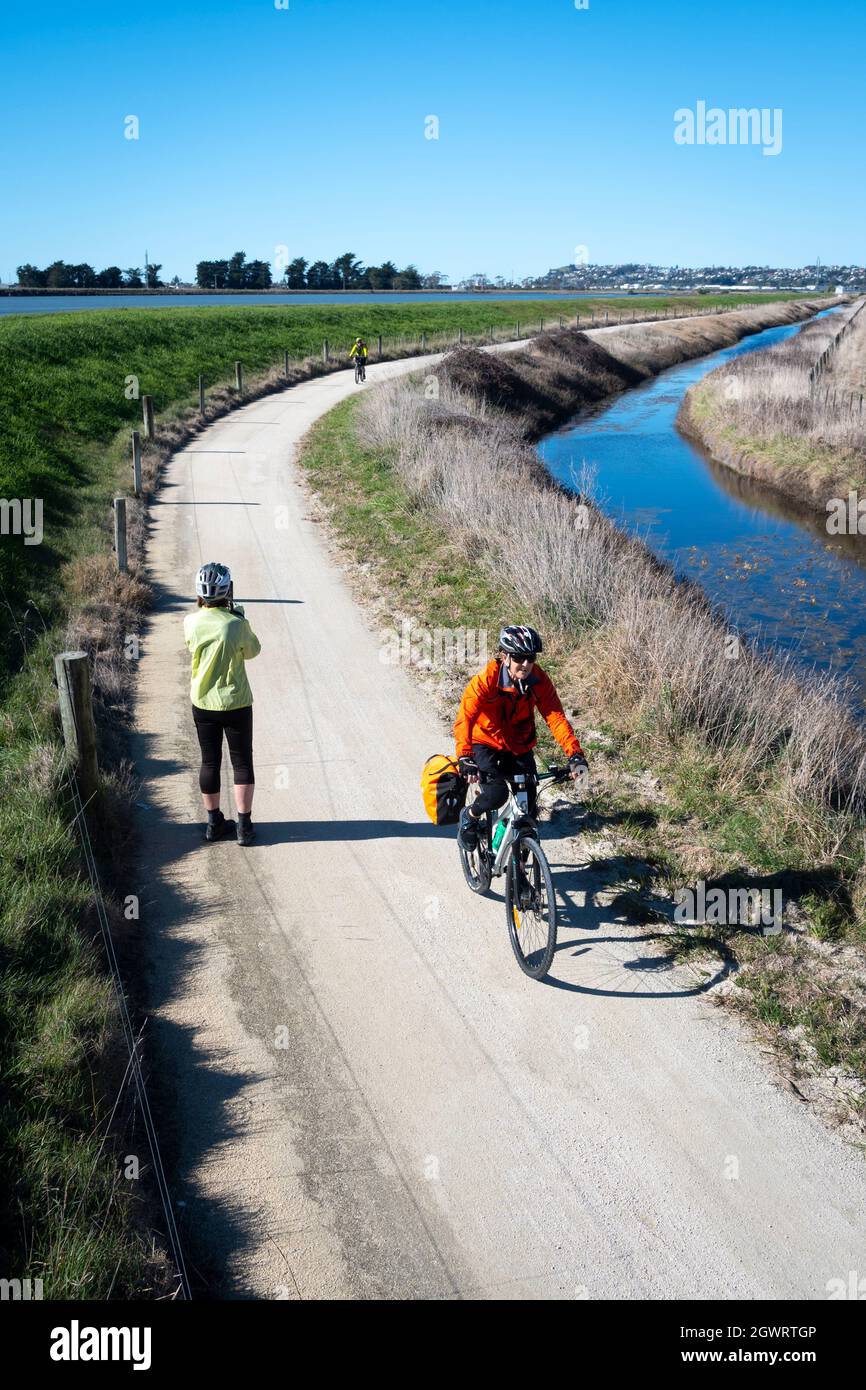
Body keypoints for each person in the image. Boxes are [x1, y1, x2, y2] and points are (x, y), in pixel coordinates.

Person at [454, 624, 588, 852]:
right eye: (518, 658)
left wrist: (574, 754)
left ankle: (522, 877)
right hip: (485, 743)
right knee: (497, 794)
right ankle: (470, 816)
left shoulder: (538, 681)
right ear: (504, 656)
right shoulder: (487, 680)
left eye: (530, 658)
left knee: (529, 814)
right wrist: (465, 756)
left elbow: (555, 717)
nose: (525, 664)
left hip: (519, 746)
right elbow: (465, 717)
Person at [183, 562, 261, 846]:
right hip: (236, 702)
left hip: (203, 702)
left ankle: (214, 823)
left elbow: (192, 646)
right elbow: (253, 651)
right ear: (227, 590)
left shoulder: (190, 622)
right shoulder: (236, 624)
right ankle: (244, 827)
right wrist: (240, 618)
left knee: (209, 761)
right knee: (242, 763)